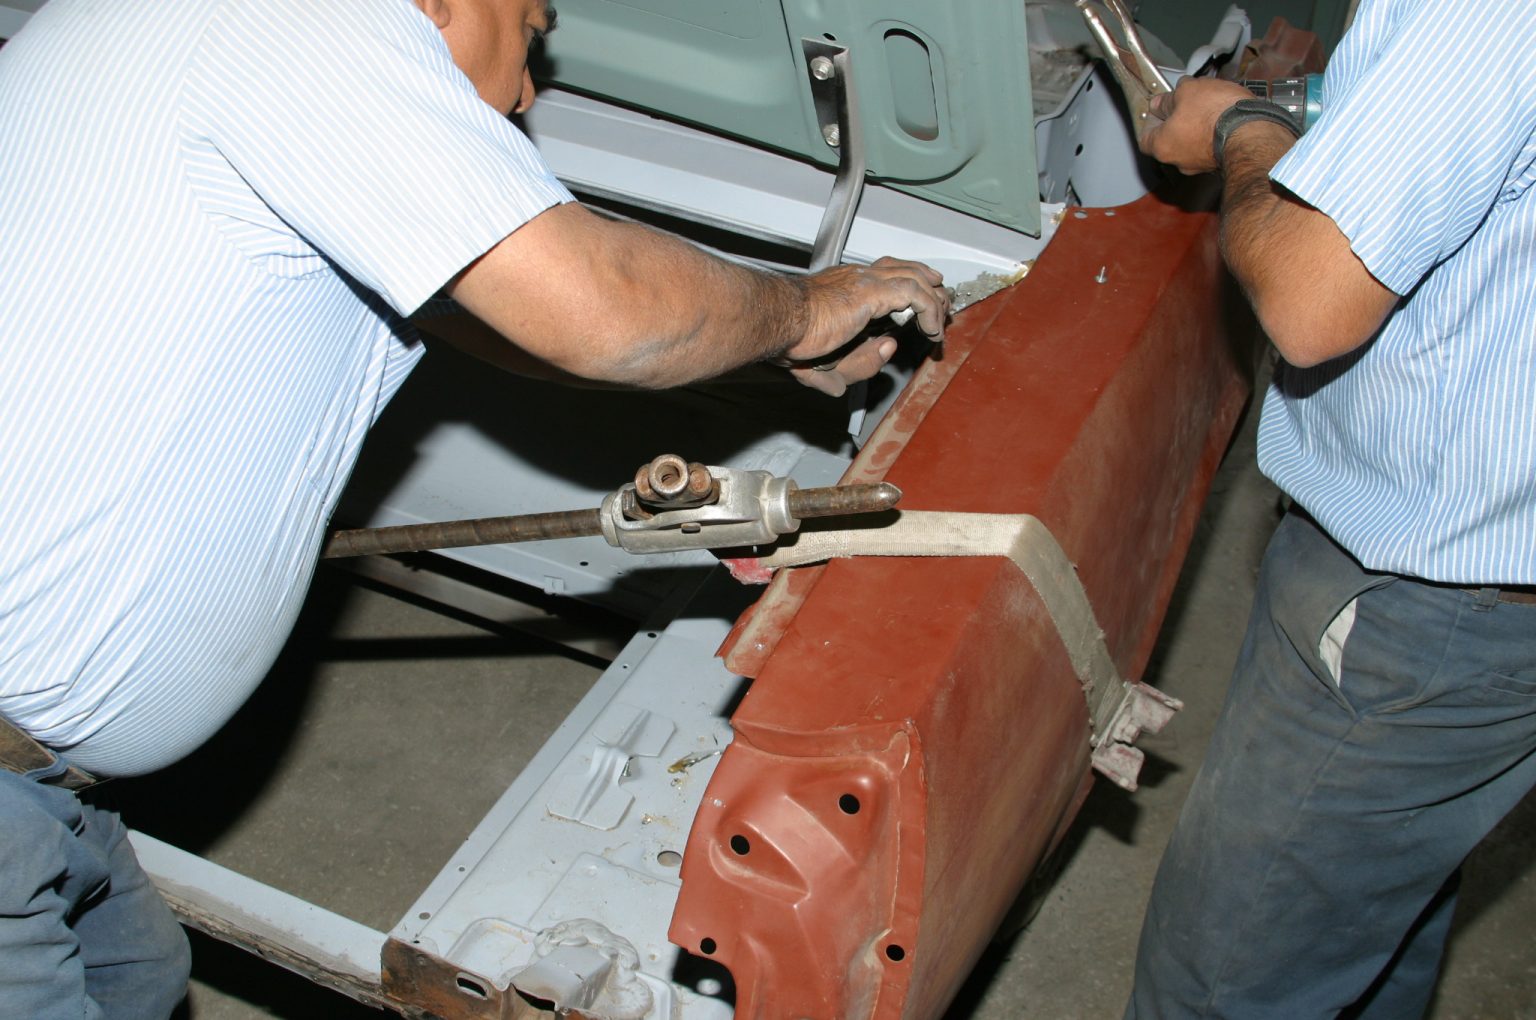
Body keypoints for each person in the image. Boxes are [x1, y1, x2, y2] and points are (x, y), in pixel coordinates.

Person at [0, 0, 951, 1016]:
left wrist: (769, 347)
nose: (533, 88)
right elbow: (603, 308)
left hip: (45, 786)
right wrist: (804, 306)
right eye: (534, 27)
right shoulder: (299, 23)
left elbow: (487, 309)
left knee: (141, 980)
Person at [1123, 1, 1536, 1016]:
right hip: (1492, 593)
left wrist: (1238, 135)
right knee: (1369, 912)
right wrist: (1309, 102)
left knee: (1223, 981)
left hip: (1425, 605)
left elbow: (1311, 301)